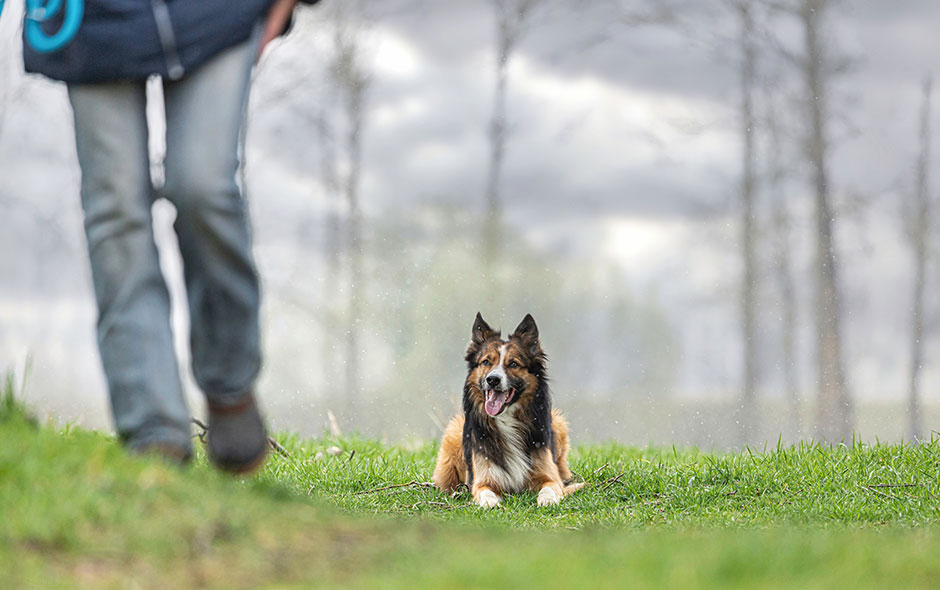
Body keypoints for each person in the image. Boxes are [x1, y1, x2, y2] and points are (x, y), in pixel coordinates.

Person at [22, 0, 317, 473]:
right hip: (91, 21)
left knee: (203, 187)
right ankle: (152, 427)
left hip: (218, 14)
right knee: (116, 209)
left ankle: (229, 382)